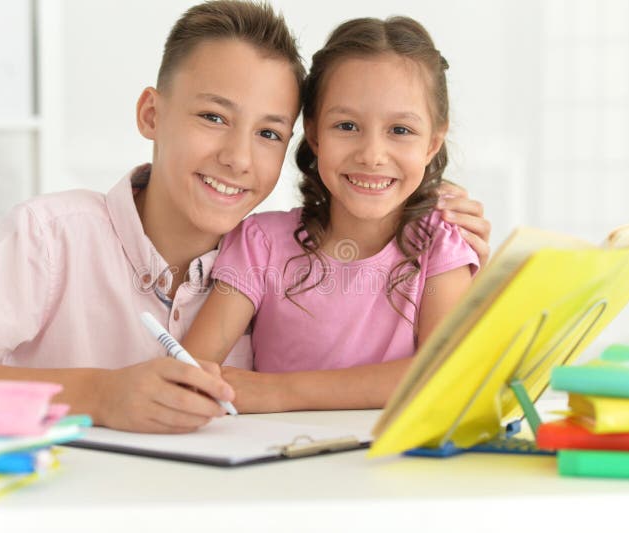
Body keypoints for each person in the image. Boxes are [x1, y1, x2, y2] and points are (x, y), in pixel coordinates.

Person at [0, 1, 489, 433]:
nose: (237, 157)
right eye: (213, 117)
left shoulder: (270, 254)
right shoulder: (53, 238)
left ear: (294, 145)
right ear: (152, 113)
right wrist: (95, 393)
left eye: (269, 132)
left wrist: (427, 217)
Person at [182, 15, 479, 413]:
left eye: (401, 131)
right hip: (272, 465)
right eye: (347, 125)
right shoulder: (260, 244)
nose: (372, 154)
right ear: (315, 134)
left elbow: (448, 373)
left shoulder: (441, 243)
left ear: (432, 144)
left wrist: (279, 392)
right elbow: (189, 373)